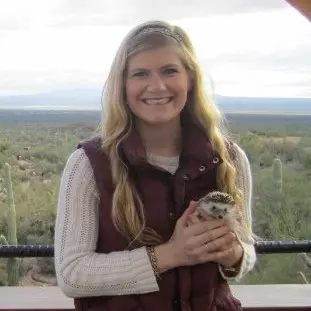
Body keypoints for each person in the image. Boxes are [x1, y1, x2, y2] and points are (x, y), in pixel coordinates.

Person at [54, 20, 256, 311]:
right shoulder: (88, 165)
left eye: (169, 71)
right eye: (140, 74)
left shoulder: (229, 160)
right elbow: (72, 274)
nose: (157, 86)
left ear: (190, 78)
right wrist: (171, 254)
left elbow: (246, 250)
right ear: (123, 86)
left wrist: (234, 254)